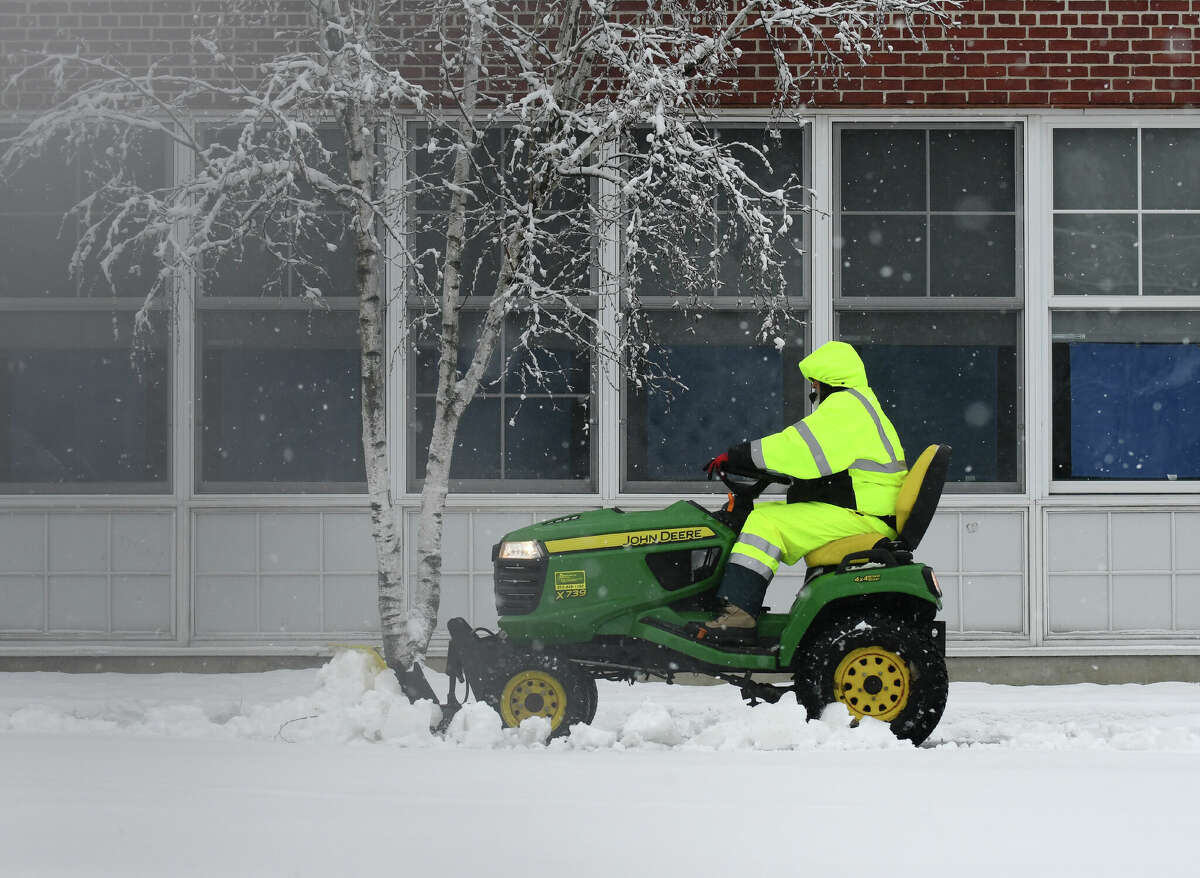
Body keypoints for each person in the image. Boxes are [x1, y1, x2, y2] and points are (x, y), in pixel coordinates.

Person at [692, 340, 907, 645]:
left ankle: (739, 613)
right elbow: (812, 460)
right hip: (865, 511)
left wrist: (738, 456)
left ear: (829, 381)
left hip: (863, 516)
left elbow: (798, 449)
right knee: (766, 516)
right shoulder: (860, 405)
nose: (813, 391)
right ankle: (737, 605)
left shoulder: (846, 407)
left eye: (815, 384)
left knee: (766, 524)